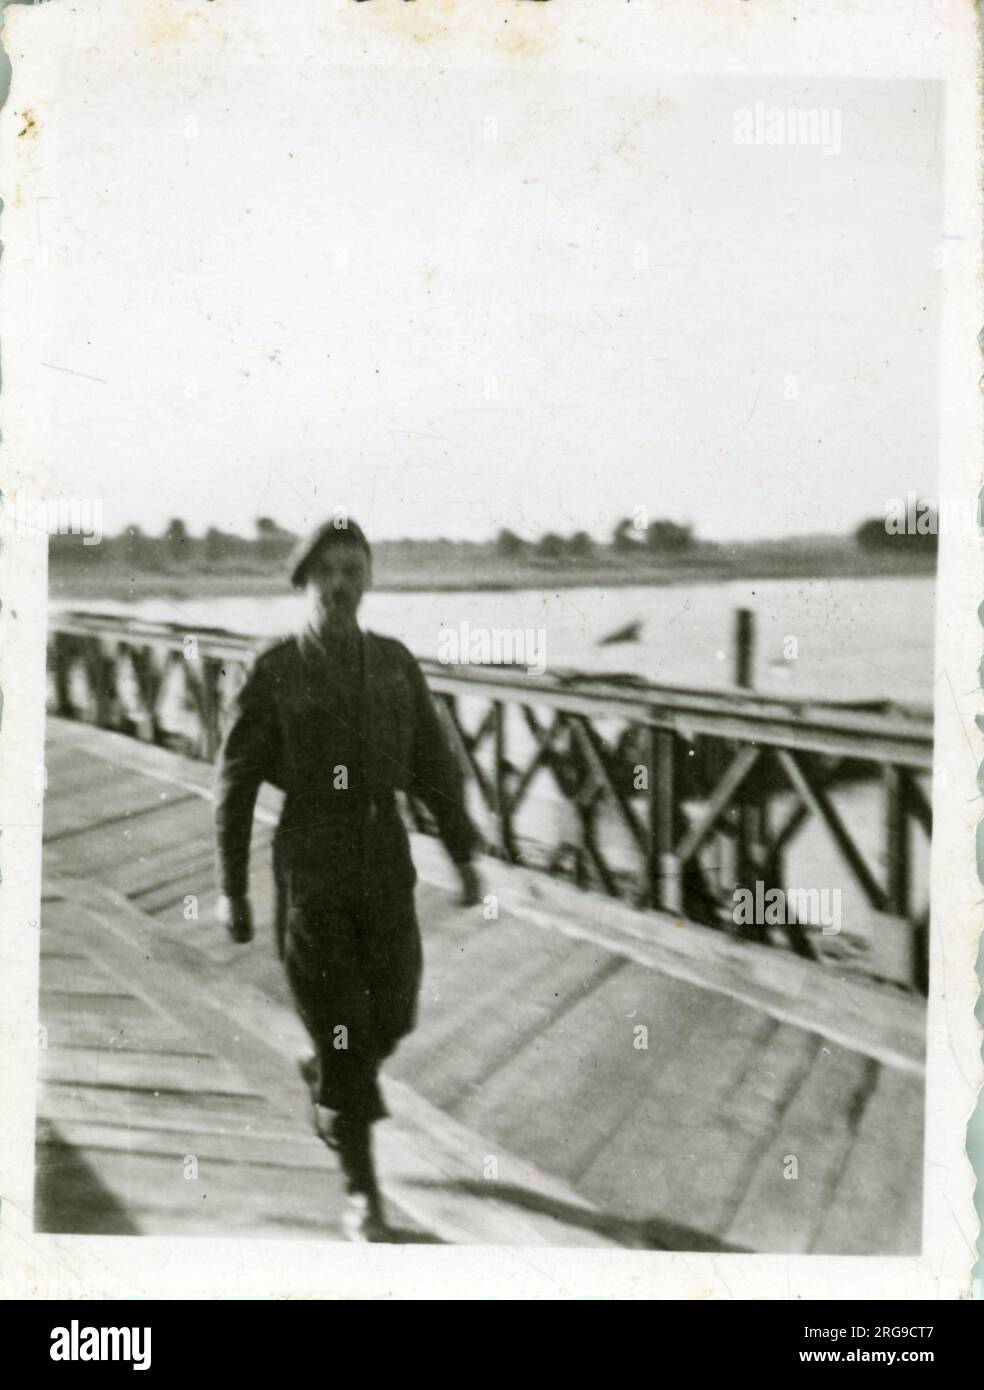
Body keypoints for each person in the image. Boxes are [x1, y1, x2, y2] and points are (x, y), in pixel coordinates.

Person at [213, 517, 482, 1240]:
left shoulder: (394, 663)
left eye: (352, 569)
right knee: (342, 1029)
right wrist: (232, 886)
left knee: (395, 1012)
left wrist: (463, 852)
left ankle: (326, 1072)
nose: (339, 584)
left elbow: (434, 762)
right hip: (312, 860)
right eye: (325, 571)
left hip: (385, 855)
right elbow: (234, 783)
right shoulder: (275, 669)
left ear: (369, 579)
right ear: (304, 581)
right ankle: (363, 1192)